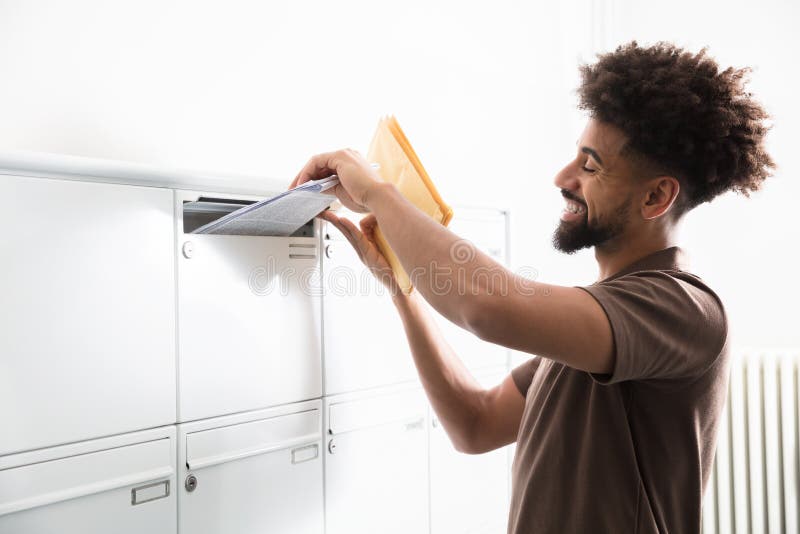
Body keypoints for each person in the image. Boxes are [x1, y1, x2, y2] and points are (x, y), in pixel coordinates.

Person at [290, 41, 774, 533]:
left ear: (655, 196)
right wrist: (401, 288)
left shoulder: (682, 308)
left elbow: (486, 305)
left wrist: (376, 191)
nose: (563, 177)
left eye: (590, 166)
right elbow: (474, 422)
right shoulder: (596, 322)